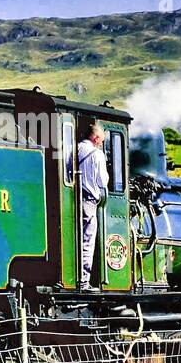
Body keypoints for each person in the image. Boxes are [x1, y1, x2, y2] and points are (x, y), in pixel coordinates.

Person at [75, 123, 108, 290]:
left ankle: (75, 276)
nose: (101, 144)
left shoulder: (76, 149)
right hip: (89, 202)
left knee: (76, 240)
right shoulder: (98, 154)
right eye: (101, 140)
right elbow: (103, 181)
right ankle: (84, 281)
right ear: (96, 138)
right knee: (87, 242)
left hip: (73, 200)